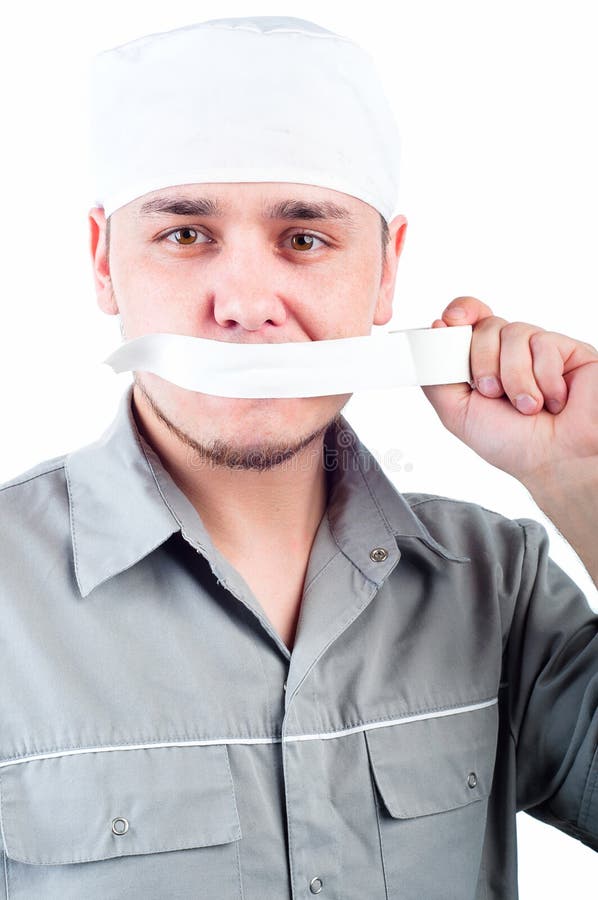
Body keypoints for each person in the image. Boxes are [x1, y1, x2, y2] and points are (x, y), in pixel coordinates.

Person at [0, 14, 596, 900]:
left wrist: (583, 481)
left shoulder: (500, 588)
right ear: (102, 261)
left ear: (386, 272)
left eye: (305, 239)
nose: (246, 305)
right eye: (186, 234)